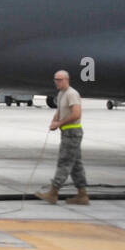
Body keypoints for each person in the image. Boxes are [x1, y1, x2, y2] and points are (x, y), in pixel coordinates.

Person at [35, 70, 89, 205]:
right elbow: (60, 110)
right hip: (66, 132)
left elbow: (76, 114)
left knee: (64, 162)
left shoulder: (72, 94)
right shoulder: (61, 94)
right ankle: (82, 195)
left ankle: (53, 192)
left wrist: (59, 123)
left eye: (59, 80)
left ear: (67, 80)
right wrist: (54, 120)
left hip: (72, 133)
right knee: (76, 165)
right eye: (55, 80)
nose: (57, 82)